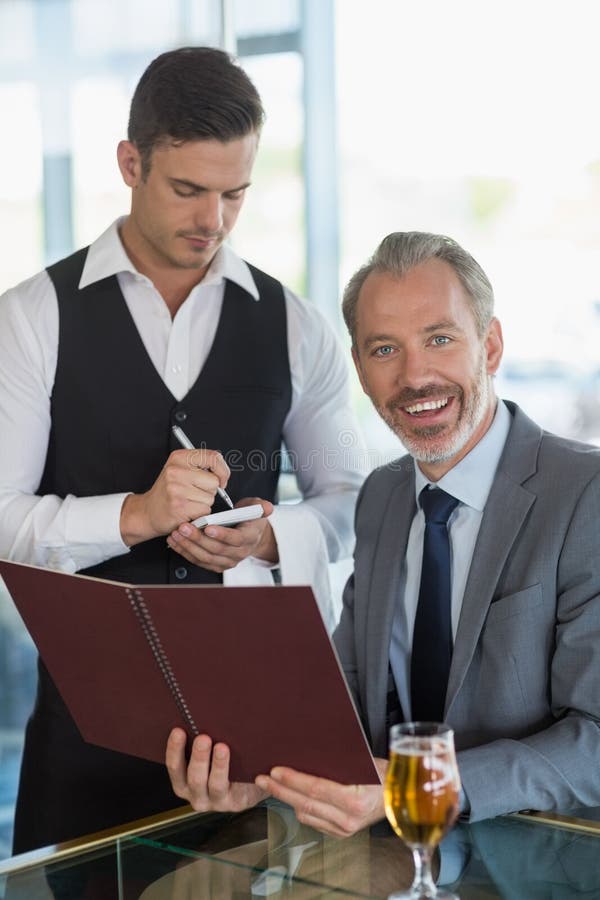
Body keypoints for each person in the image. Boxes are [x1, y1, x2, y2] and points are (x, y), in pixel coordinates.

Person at [0, 46, 364, 853]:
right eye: (188, 190)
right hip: (83, 728)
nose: (214, 221)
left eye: (235, 193)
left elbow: (356, 501)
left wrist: (271, 536)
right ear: (130, 163)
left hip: (244, 740)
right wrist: (136, 515)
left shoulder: (296, 326)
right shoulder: (30, 318)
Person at [167, 230, 600, 837]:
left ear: (492, 346)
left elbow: (595, 741)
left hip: (551, 860)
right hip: (391, 864)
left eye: (440, 339)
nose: (415, 376)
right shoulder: (382, 497)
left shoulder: (586, 494)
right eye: (384, 349)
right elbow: (347, 693)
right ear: (360, 372)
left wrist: (415, 789)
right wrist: (260, 770)